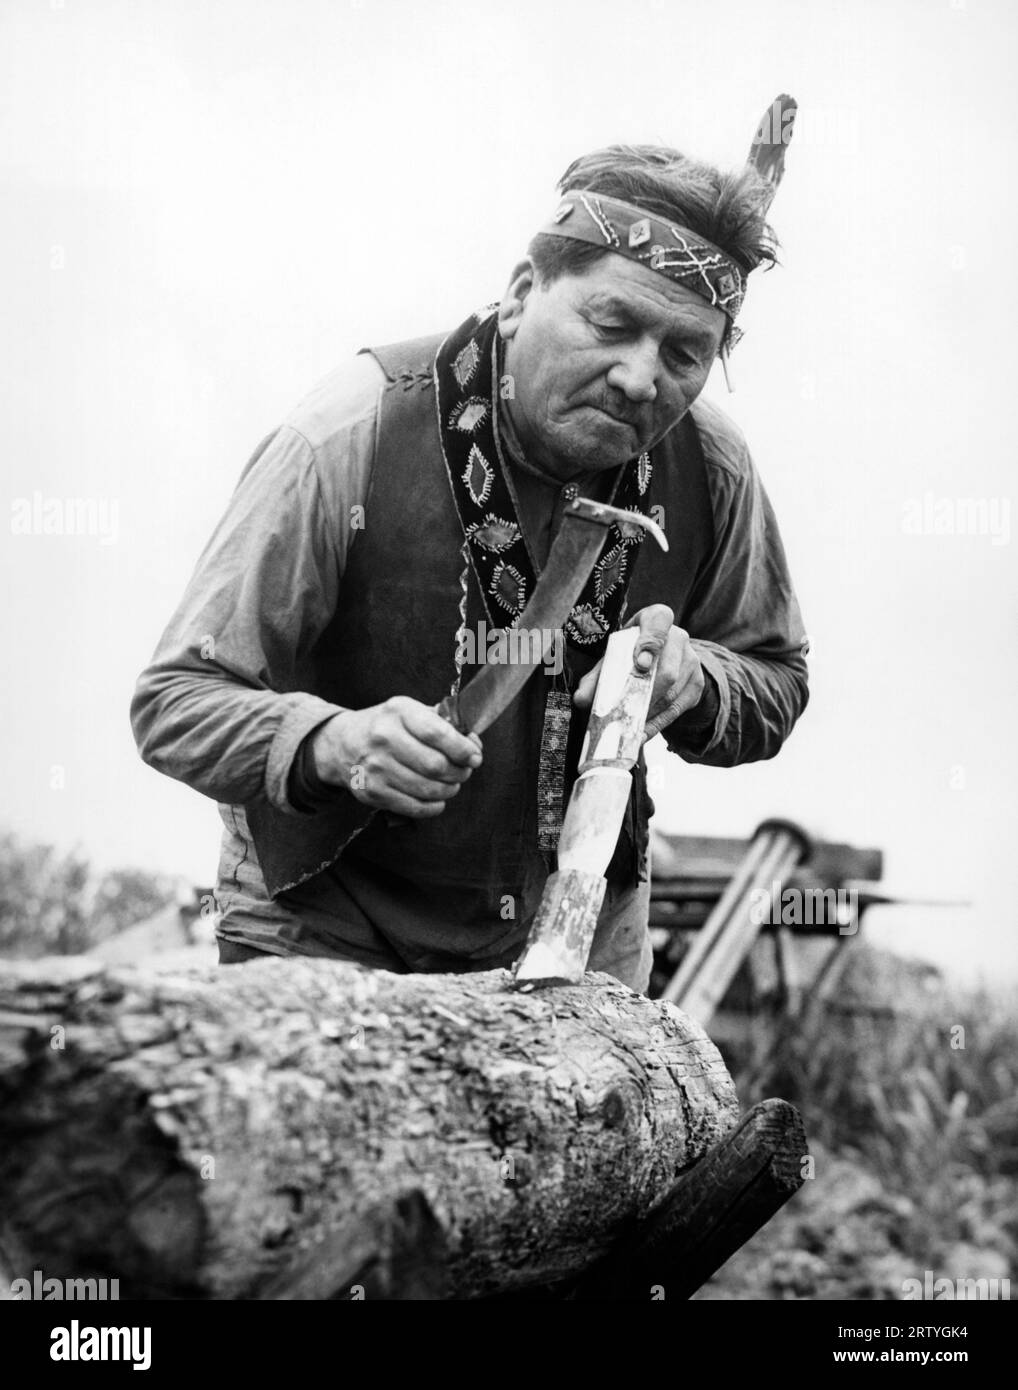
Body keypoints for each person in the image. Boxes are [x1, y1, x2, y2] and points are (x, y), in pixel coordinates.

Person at [130, 144, 809, 993]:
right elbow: (173, 703)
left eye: (685, 355)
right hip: (327, 926)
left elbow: (777, 677)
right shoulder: (351, 432)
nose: (641, 378)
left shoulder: (713, 467)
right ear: (525, 293)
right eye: (610, 325)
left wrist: (695, 679)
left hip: (578, 941)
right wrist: (331, 742)